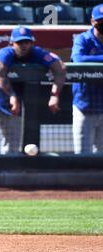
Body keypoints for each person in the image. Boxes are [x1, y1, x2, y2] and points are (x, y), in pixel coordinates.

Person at [0, 26, 66, 154]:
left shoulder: (37, 53)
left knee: (11, 150)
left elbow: (59, 67)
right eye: (19, 42)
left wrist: (54, 95)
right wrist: (12, 95)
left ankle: (6, 171)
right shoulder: (6, 52)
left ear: (31, 43)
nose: (23, 45)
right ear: (12, 43)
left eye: (26, 42)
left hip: (17, 110)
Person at [71, 4, 103, 154]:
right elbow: (78, 59)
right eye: (101, 21)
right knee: (82, 154)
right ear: (93, 21)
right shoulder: (83, 39)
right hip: (85, 105)